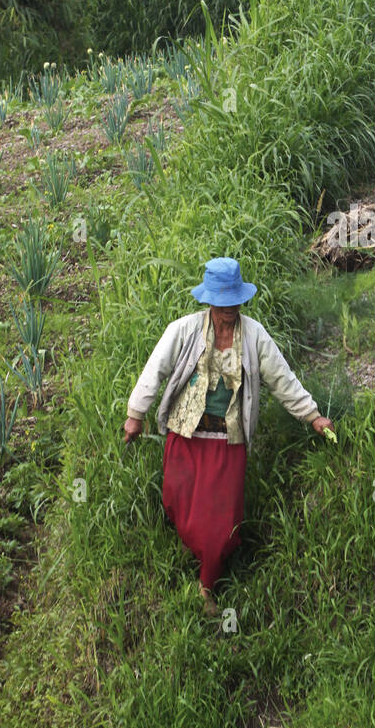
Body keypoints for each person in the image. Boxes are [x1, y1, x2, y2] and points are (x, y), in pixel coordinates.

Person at [123, 256, 334, 608]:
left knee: (221, 523)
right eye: (223, 304)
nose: (230, 310)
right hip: (185, 437)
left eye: (235, 302)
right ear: (209, 301)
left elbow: (282, 379)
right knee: (176, 502)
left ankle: (207, 585)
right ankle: (198, 553)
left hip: (226, 442)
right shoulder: (185, 330)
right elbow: (155, 369)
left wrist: (312, 416)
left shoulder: (253, 336)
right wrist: (135, 414)